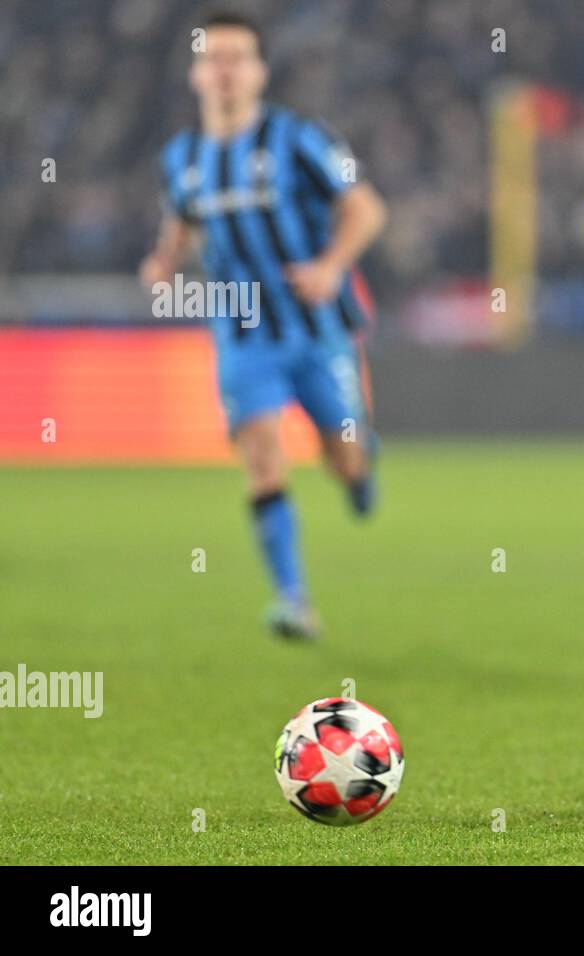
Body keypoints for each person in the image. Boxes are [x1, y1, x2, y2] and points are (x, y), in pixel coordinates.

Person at [139, 11, 387, 639]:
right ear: (196, 73)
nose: (224, 69)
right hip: (241, 333)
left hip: (316, 326)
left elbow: (365, 207)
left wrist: (331, 265)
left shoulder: (302, 138)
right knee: (261, 456)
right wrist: (164, 261)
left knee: (345, 458)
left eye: (237, 57)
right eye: (212, 58)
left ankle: (359, 469)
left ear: (259, 71)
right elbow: (182, 222)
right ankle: (293, 600)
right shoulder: (183, 157)